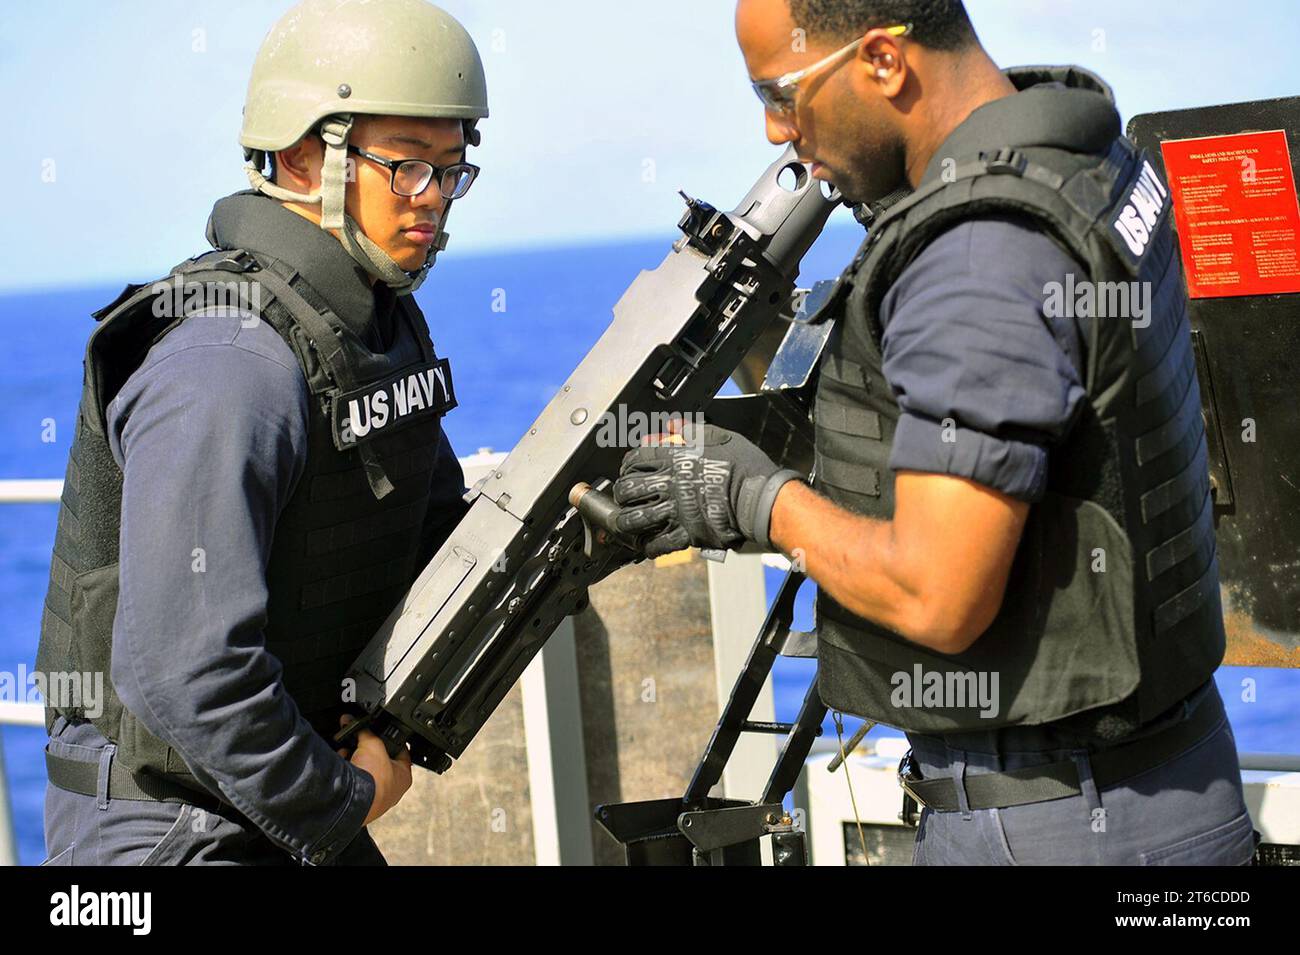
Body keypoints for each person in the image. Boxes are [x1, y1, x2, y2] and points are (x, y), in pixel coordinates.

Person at [611, 0, 1255, 865]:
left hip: (1060, 819)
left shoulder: (981, 252)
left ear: (883, 60)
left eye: (782, 94)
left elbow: (937, 596)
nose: (773, 129)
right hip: (1164, 774)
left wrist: (753, 499)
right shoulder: (1082, 153)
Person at [36, 0, 486, 866]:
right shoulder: (228, 363)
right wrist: (349, 795)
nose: (432, 200)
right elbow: (186, 674)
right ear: (301, 153)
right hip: (164, 825)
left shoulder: (372, 332)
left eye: (452, 168)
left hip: (267, 784)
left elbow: (431, 537)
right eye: (406, 166)